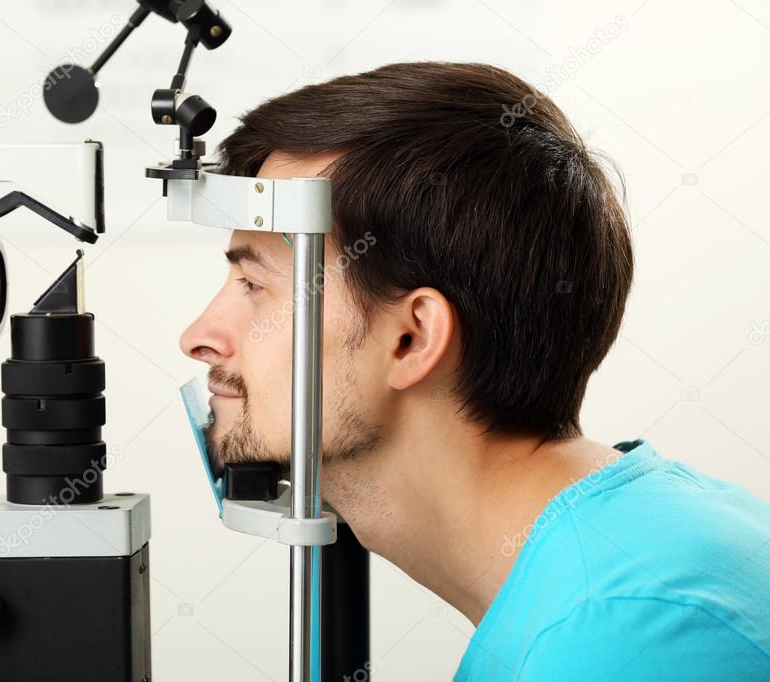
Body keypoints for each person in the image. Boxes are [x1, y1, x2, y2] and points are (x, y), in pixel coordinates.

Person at [178, 61, 770, 680]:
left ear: (411, 339)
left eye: (255, 284)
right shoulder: (628, 563)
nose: (198, 339)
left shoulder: (624, 639)